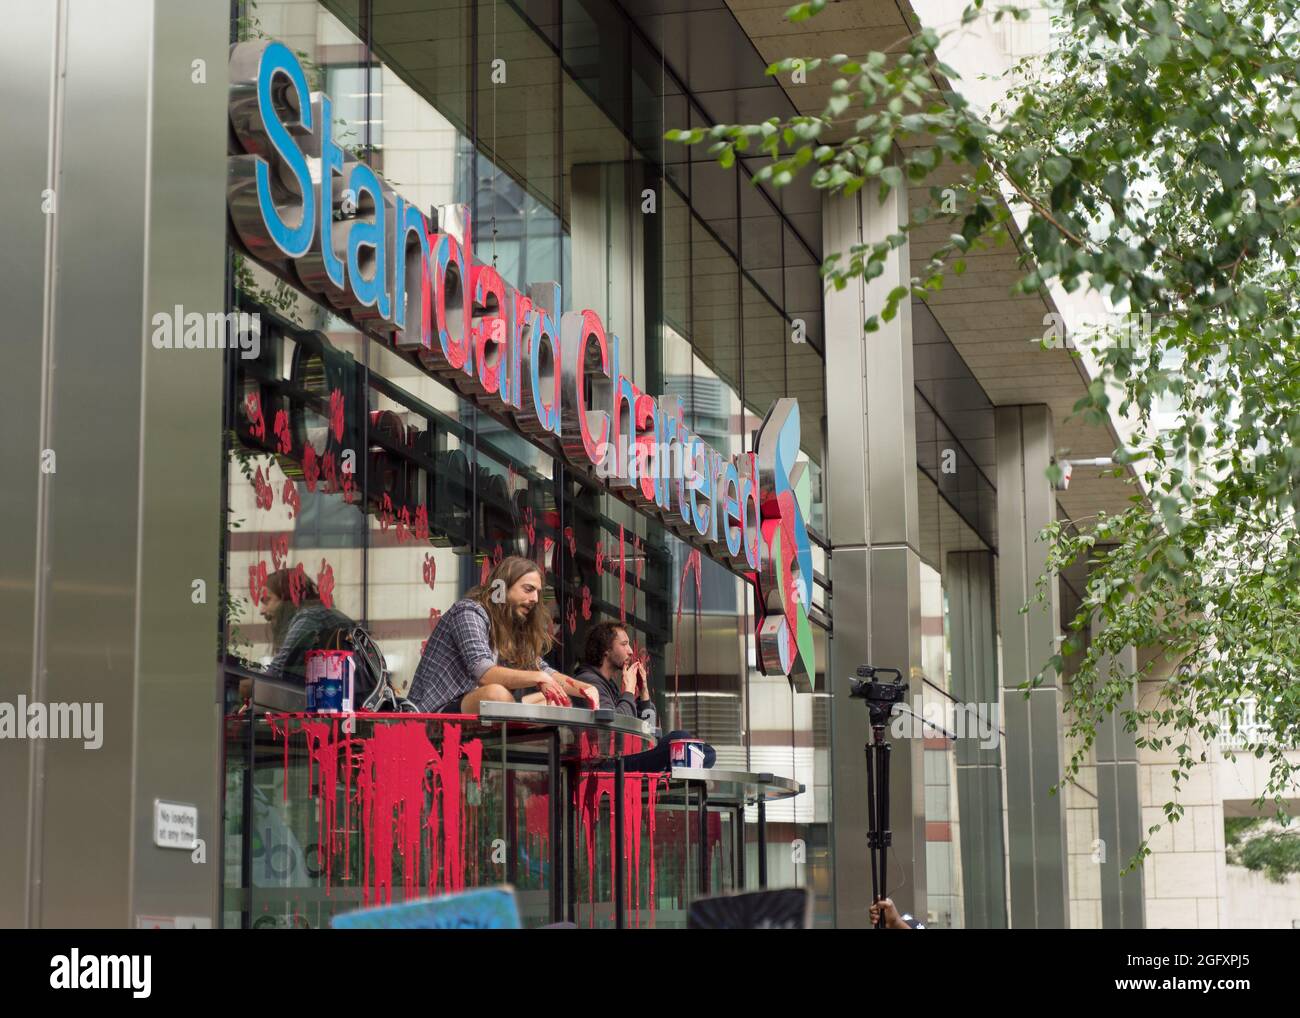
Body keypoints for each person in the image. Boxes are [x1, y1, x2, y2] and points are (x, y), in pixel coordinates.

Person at [408, 555, 600, 715]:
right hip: (431, 714)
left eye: (538, 593)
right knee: (496, 694)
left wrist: (586, 689)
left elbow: (544, 670)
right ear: (501, 588)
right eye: (528, 589)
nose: (534, 599)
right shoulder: (468, 612)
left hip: (472, 712)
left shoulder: (512, 626)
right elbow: (483, 672)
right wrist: (538, 678)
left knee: (554, 700)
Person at [238, 568, 355, 700]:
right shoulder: (319, 614)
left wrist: (237, 684)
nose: (262, 610)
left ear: (288, 598)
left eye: (267, 600)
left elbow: (276, 674)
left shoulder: (309, 617)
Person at [572, 621, 658, 730]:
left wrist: (643, 690)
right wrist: (629, 690)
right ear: (606, 649)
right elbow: (617, 730)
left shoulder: (610, 686)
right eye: (624, 644)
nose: (631, 651)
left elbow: (648, 730)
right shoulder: (588, 682)